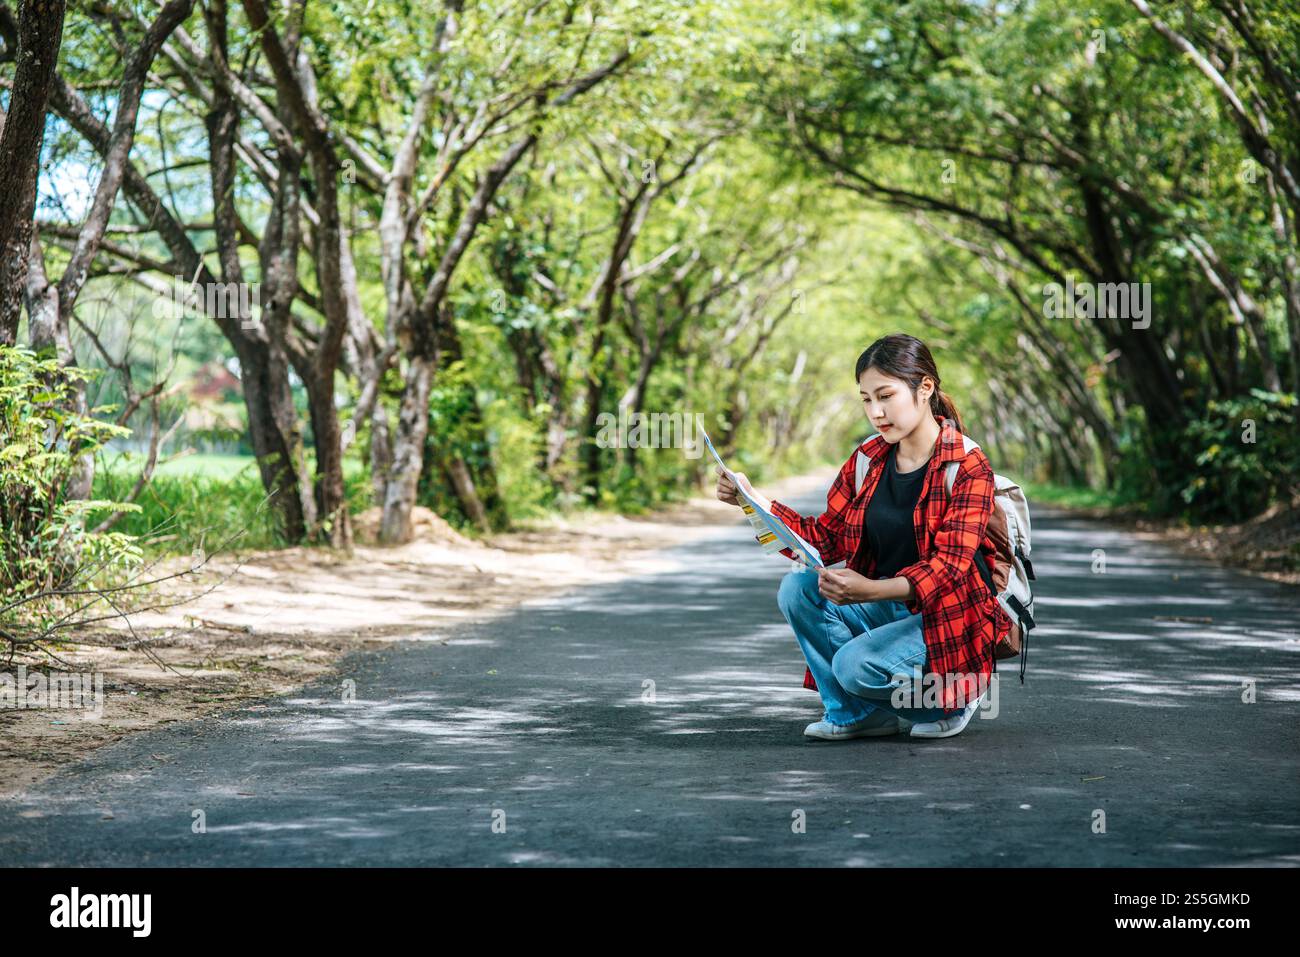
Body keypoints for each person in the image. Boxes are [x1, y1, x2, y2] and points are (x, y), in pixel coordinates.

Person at [715, 333, 1012, 741]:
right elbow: (824, 538)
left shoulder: (966, 465)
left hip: (947, 618)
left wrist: (868, 591)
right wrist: (753, 502)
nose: (876, 412)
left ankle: (952, 698)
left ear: (925, 387)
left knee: (855, 666)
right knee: (798, 588)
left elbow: (949, 568)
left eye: (886, 396)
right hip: (886, 607)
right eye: (866, 399)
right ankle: (858, 713)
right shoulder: (868, 459)